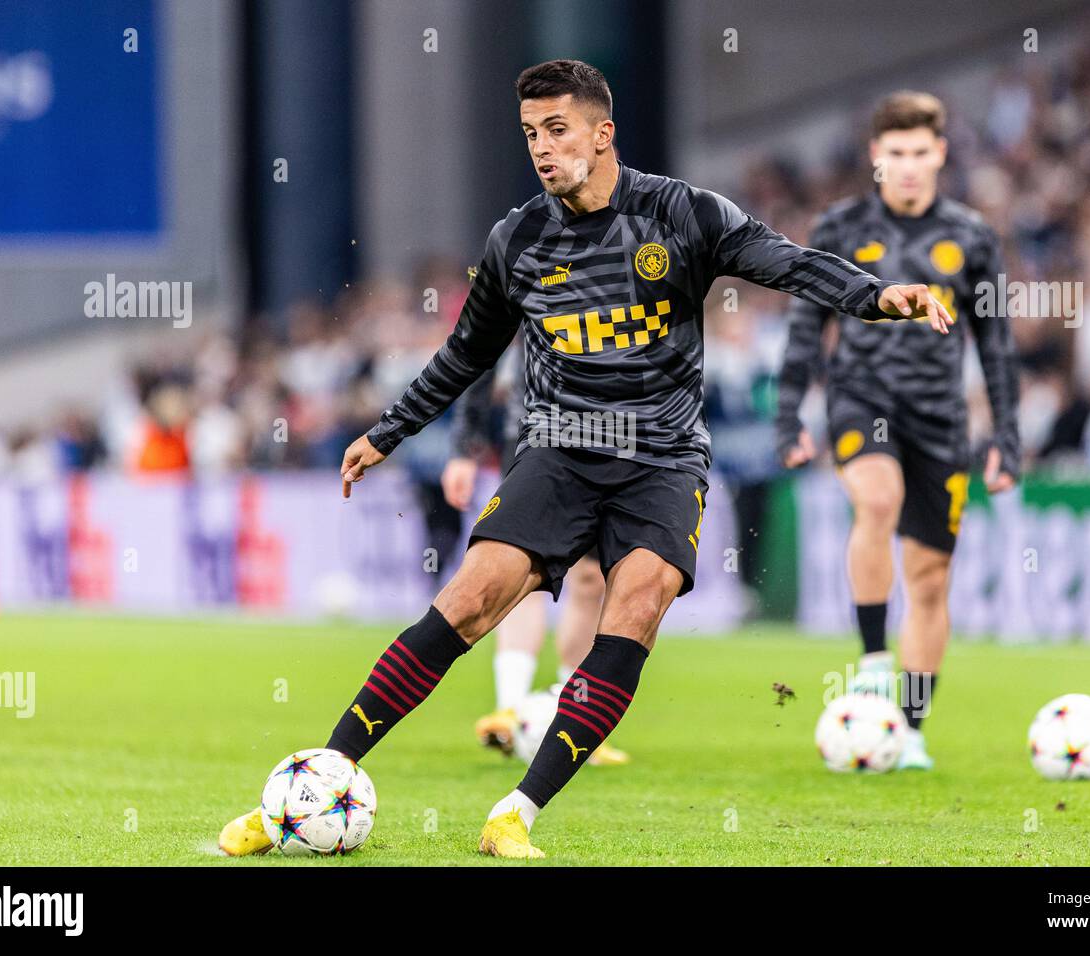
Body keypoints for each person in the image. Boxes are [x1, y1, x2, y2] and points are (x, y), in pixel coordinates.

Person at [220, 59, 951, 859]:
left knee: (635, 607)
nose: (541, 147)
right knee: (468, 603)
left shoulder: (683, 214)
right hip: (558, 453)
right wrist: (389, 431)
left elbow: (789, 261)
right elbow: (465, 355)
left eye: (557, 129)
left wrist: (879, 295)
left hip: (665, 460)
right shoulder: (518, 240)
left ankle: (516, 813)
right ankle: (311, 786)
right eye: (531, 132)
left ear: (602, 135)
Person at [775, 91, 1020, 769]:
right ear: (876, 157)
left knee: (932, 580)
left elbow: (994, 344)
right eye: (896, 154)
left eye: (920, 152)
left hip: (941, 417)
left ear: (939, 153)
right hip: (861, 397)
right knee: (876, 500)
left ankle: (908, 727)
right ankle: (874, 658)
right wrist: (789, 413)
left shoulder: (973, 236)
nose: (908, 166)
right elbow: (806, 327)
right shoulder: (839, 227)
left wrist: (1007, 436)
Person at [442, 350, 625, 764]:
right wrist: (463, 449)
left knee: (592, 578)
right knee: (523, 564)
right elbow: (480, 347)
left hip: (614, 428)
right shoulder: (528, 281)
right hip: (535, 430)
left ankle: (578, 718)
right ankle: (509, 708)